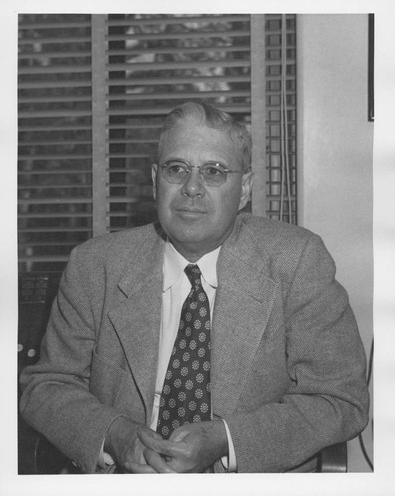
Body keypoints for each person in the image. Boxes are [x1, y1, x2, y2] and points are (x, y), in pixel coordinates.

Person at [19, 101, 369, 474]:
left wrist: (226, 440)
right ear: (156, 179)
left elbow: (341, 398)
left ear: (245, 189)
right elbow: (46, 386)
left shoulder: (297, 261)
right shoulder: (95, 266)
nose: (191, 188)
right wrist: (116, 436)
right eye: (176, 169)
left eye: (214, 172)